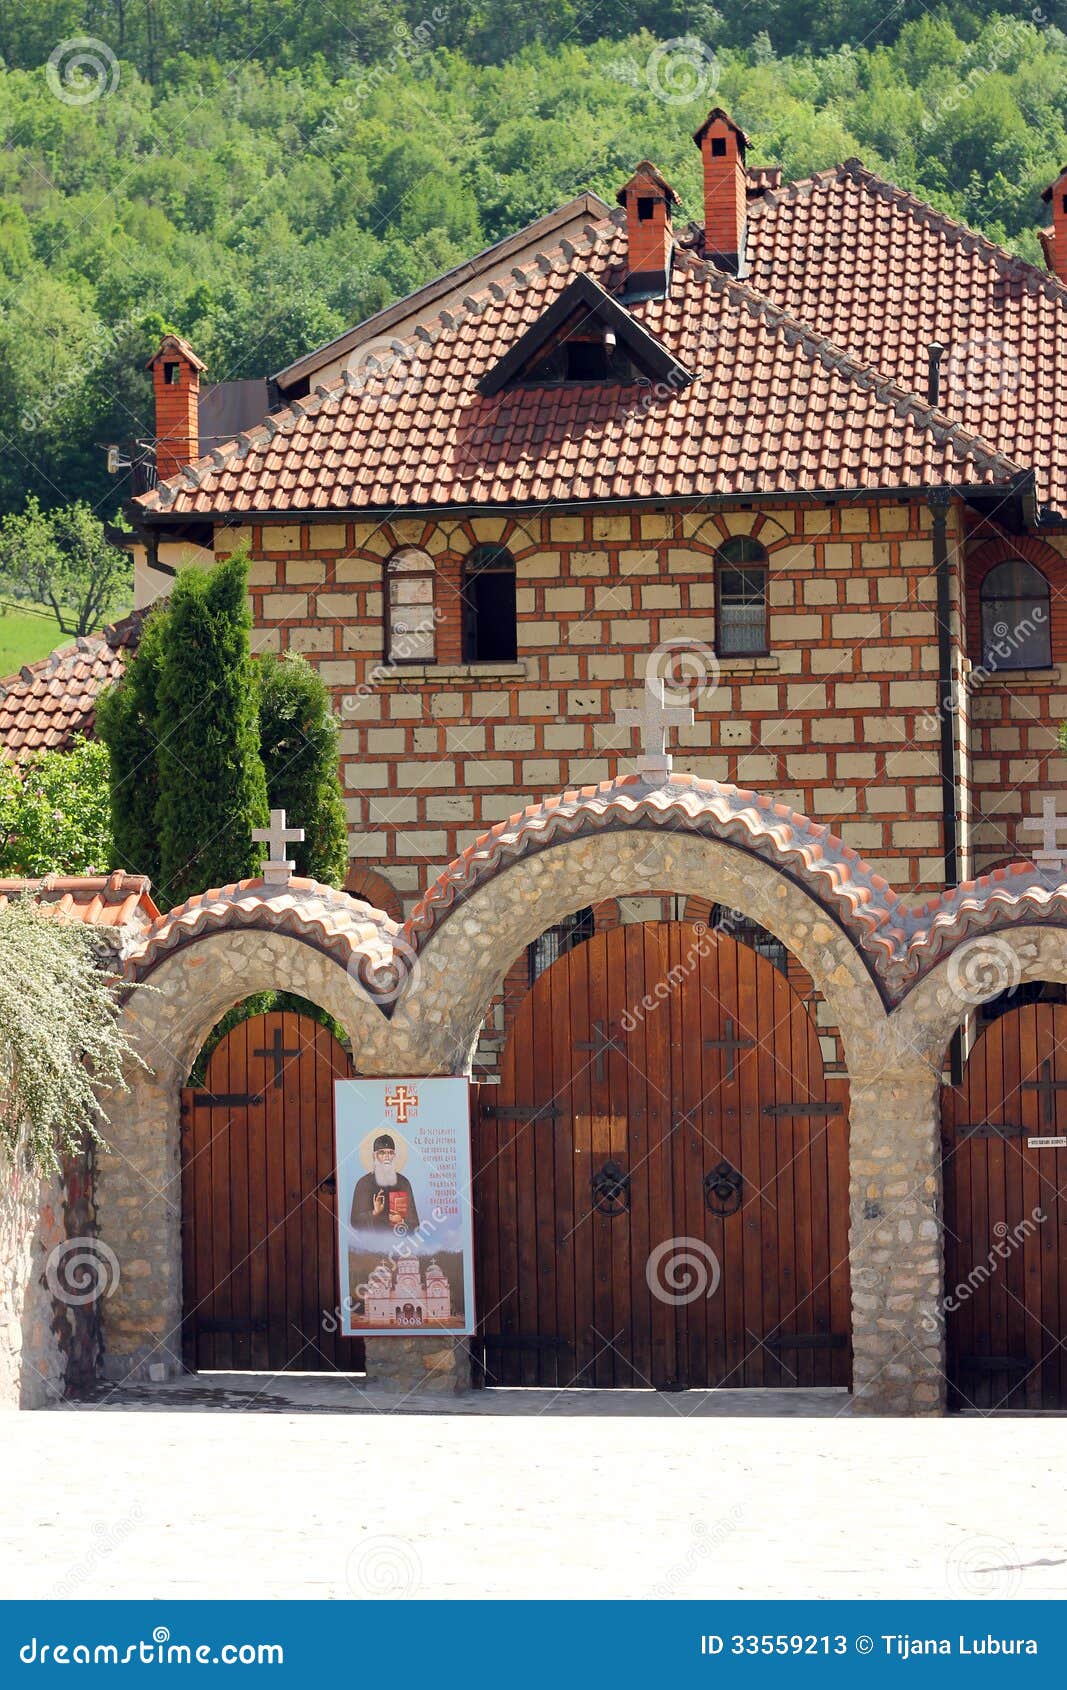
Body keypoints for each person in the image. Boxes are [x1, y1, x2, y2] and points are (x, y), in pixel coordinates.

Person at [350, 1133, 420, 1234]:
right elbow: (355, 1222)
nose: (387, 1156)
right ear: (374, 1155)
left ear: (394, 1156)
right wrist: (374, 1213)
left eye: (390, 1153)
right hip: (371, 1242)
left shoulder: (403, 1183)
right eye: (382, 1153)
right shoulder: (364, 1183)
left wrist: (401, 1221)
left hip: (399, 1241)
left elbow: (415, 1223)